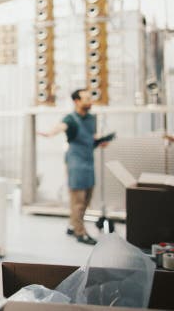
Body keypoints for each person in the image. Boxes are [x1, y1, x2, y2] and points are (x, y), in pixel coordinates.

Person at [38, 89, 110, 245]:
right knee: (78, 200)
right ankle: (80, 233)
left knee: (87, 198)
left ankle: (72, 225)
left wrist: (99, 141)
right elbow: (61, 126)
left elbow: (91, 137)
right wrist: (49, 133)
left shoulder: (91, 119)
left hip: (89, 161)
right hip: (76, 162)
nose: (90, 101)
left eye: (90, 98)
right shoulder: (71, 119)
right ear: (76, 101)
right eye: (86, 99)